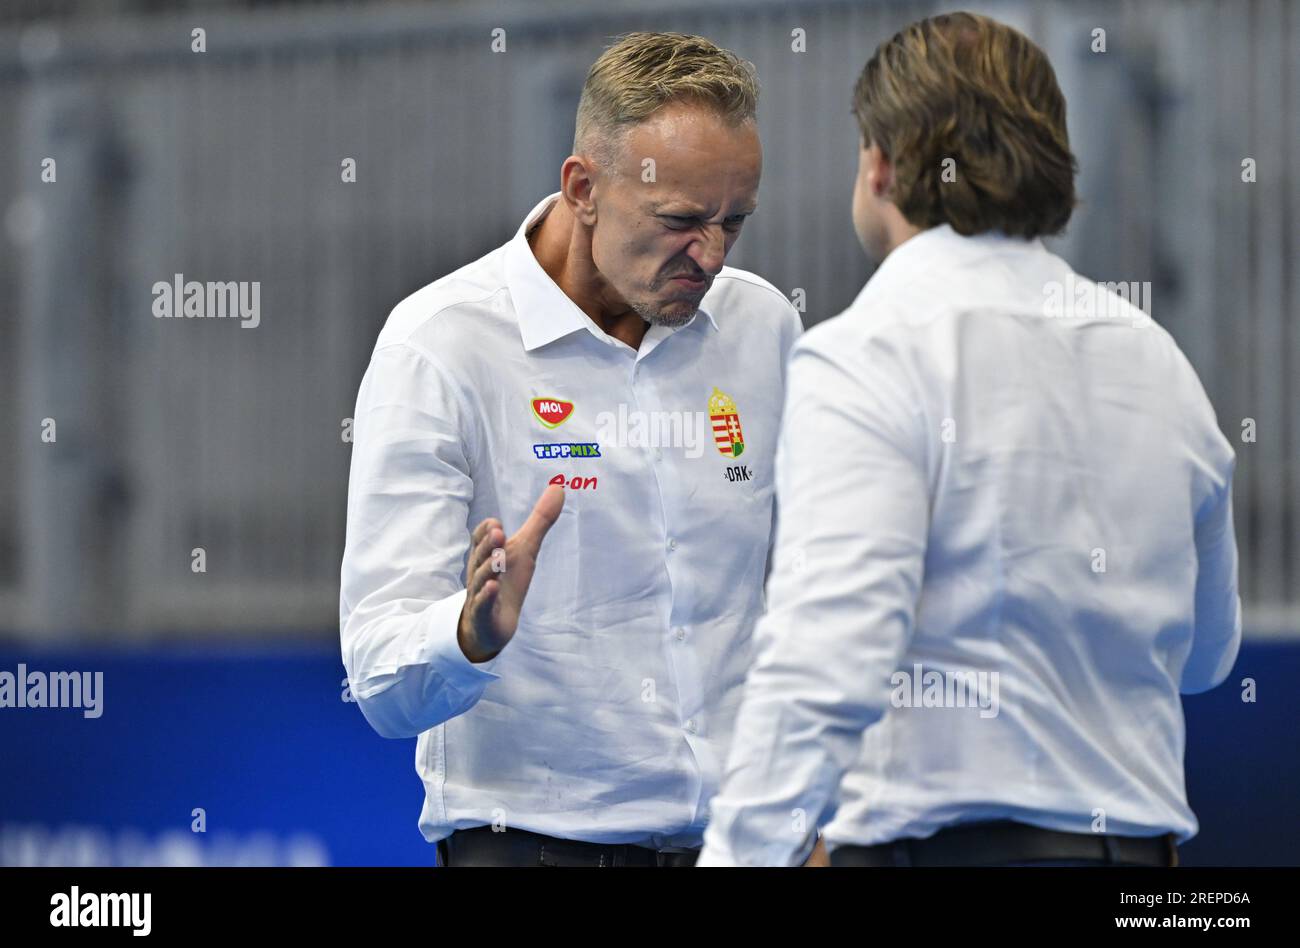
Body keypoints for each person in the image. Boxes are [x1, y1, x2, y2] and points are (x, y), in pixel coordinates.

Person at [698, 11, 1241, 867]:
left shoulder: (868, 351)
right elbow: (1206, 656)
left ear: (878, 165)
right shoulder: (1158, 362)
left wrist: (739, 856)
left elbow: (824, 662)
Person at [339, 32, 804, 867]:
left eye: (735, 221)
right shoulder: (439, 347)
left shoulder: (763, 327)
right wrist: (468, 634)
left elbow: (799, 601)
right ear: (583, 188)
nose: (713, 254)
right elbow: (377, 677)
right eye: (680, 221)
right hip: (533, 847)